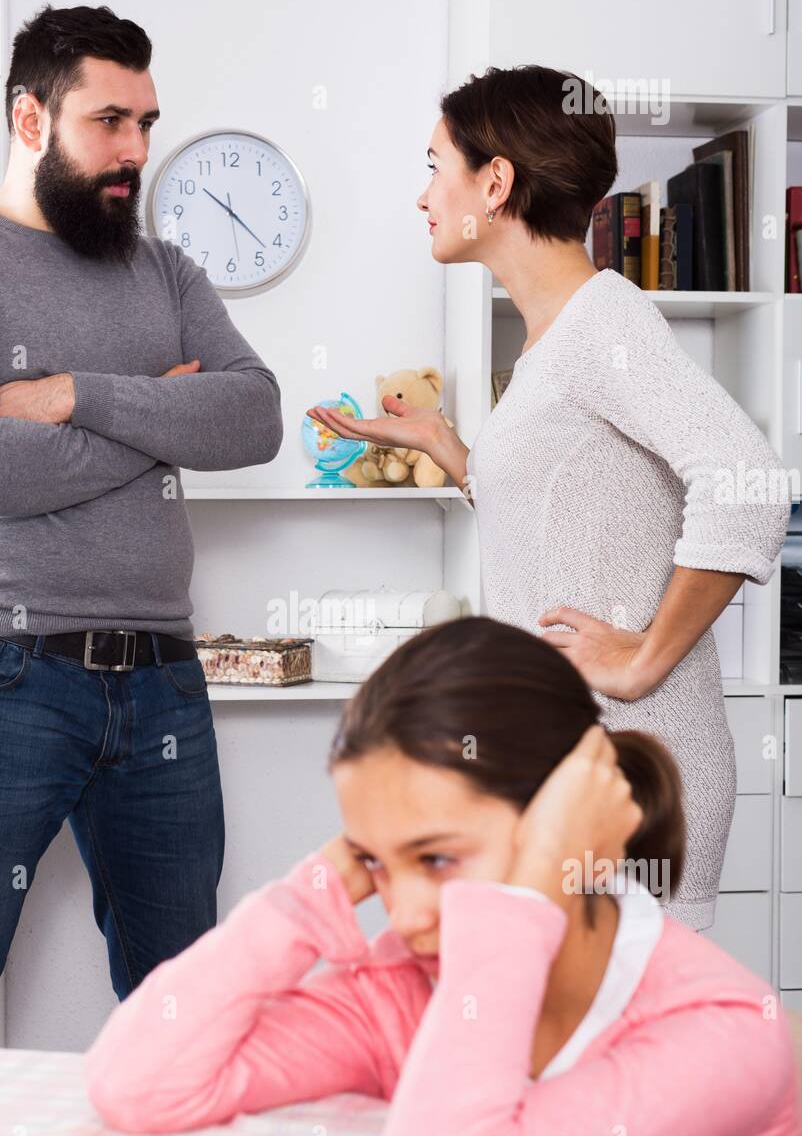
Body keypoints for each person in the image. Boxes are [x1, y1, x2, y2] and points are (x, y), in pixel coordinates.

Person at [85, 614, 802, 1136]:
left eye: (436, 859)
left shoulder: (723, 1032)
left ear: (569, 828)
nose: (407, 915)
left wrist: (532, 890)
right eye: (374, 863)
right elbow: (138, 1083)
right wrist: (311, 893)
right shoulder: (407, 988)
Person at [0, 3, 283, 1047]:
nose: (137, 150)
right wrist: (158, 413)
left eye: (146, 122)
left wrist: (67, 394)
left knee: (187, 1018)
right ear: (28, 119)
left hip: (161, 684)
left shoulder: (170, 272)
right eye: (110, 121)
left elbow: (255, 415)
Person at [307, 64, 791, 933]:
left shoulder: (603, 325)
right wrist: (445, 447)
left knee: (615, 1055)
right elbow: (559, 514)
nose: (423, 196)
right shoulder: (555, 344)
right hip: (570, 761)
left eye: (433, 165)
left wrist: (645, 658)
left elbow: (746, 481)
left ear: (494, 183)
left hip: (631, 766)